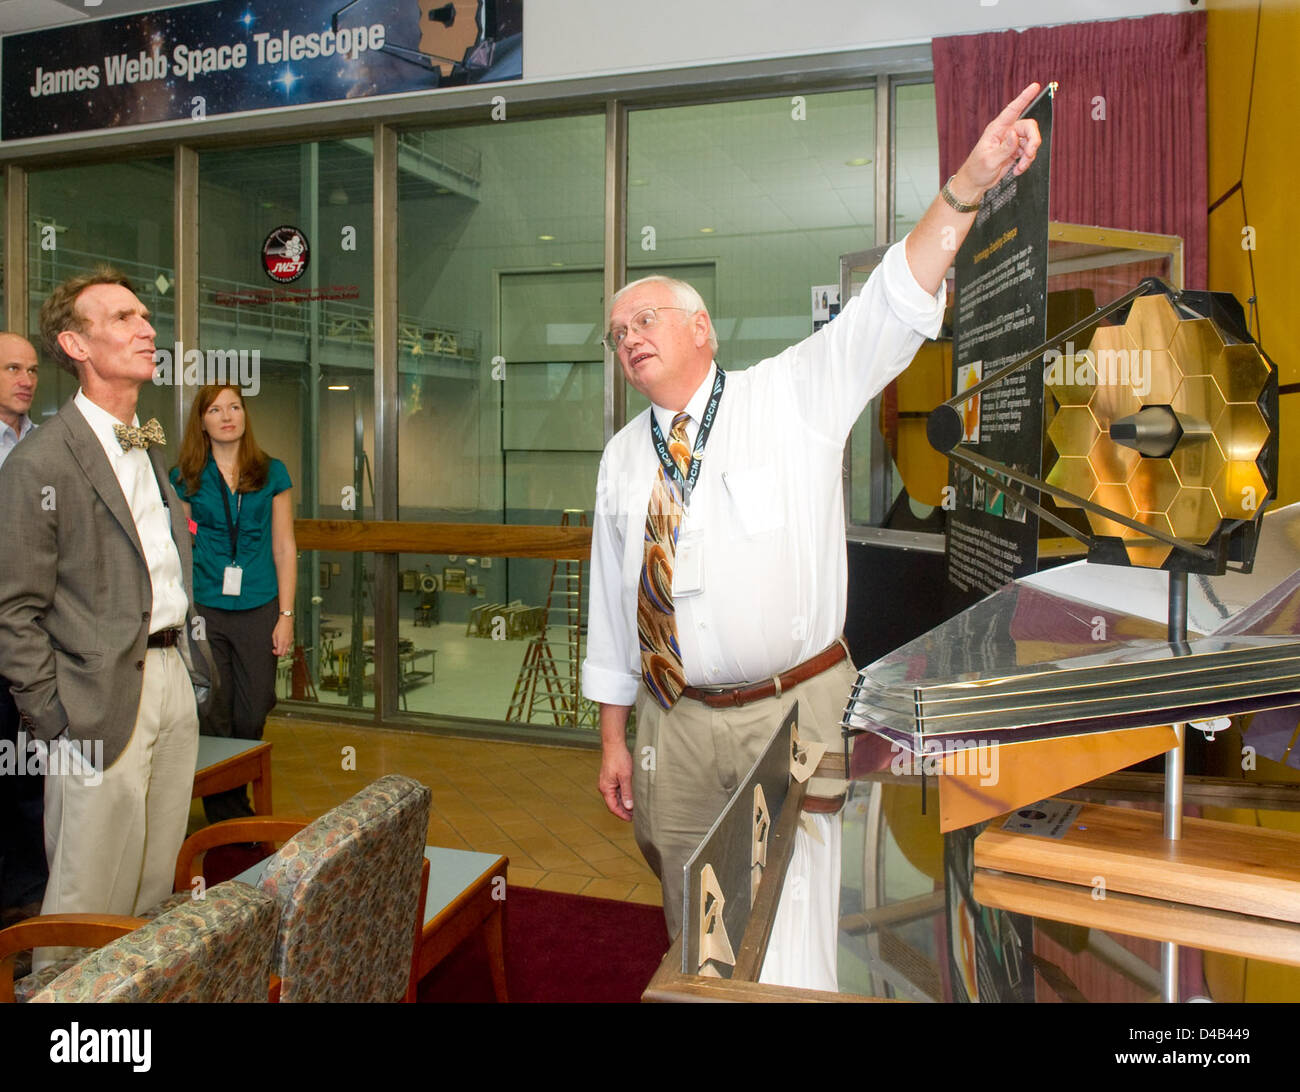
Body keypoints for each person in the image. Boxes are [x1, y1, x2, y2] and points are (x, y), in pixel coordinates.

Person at [584, 85, 1043, 937]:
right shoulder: (619, 460)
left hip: (789, 714)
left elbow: (891, 305)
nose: (630, 336)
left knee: (790, 918)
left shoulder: (794, 394)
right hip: (672, 726)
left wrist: (966, 187)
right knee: (693, 916)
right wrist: (614, 738)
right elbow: (612, 615)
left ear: (703, 330)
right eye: (617, 331)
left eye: (646, 316)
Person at [0, 269, 215, 964]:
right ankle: (65, 1009)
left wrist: (188, 673)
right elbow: (14, 608)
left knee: (154, 877)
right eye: (123, 318)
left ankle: (139, 995)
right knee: (87, 888)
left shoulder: (142, 442)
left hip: (170, 679)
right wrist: (52, 718)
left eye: (146, 316)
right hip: (94, 698)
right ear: (76, 344)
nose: (147, 329)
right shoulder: (40, 460)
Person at [170, 384, 296, 823]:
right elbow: (177, 548)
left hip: (260, 605)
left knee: (255, 705)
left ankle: (235, 795)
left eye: (235, 407)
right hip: (205, 609)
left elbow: (284, 546)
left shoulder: (272, 472)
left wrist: (286, 616)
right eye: (216, 409)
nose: (228, 416)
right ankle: (228, 814)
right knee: (213, 710)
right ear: (201, 421)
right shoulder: (184, 476)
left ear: (245, 415)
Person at [0, 333, 46, 931]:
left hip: (34, 631)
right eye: (12, 367)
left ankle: (30, 891)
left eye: (33, 369)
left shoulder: (44, 444)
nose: (26, 379)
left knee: (28, 763)